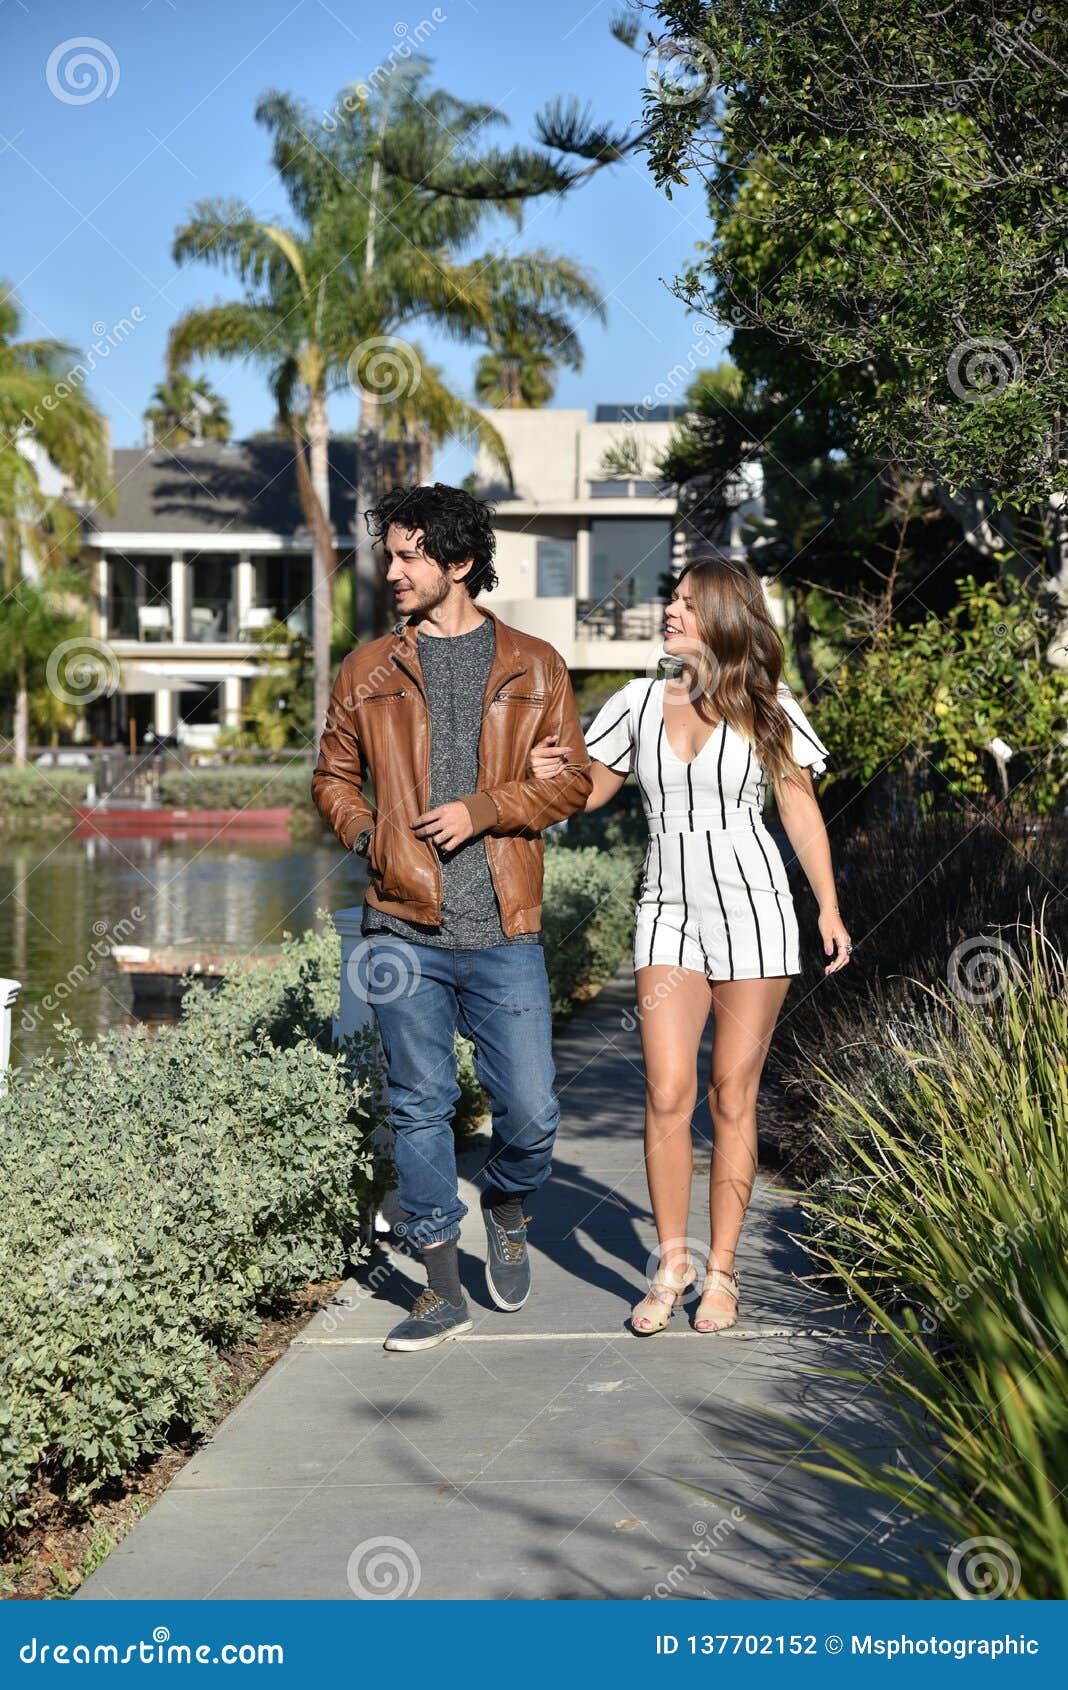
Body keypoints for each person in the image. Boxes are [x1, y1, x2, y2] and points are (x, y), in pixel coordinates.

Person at [528, 557, 852, 1336]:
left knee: (731, 1096)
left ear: (723, 616)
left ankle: (723, 1274)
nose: (668, 612)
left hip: (757, 912)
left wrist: (829, 908)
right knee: (668, 1092)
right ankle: (671, 1261)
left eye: (684, 603)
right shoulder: (639, 701)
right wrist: (548, 771)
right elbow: (591, 791)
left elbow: (801, 814)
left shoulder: (769, 706)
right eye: (670, 601)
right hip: (665, 910)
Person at [312, 483, 592, 1352]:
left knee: (535, 1109)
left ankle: (507, 1203)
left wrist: (486, 807)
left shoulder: (536, 665)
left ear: (458, 564)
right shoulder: (367, 670)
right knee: (419, 1102)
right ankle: (439, 1288)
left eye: (409, 557)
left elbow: (573, 784)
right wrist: (370, 837)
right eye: (388, 556)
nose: (392, 573)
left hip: (503, 924)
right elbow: (331, 778)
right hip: (399, 927)